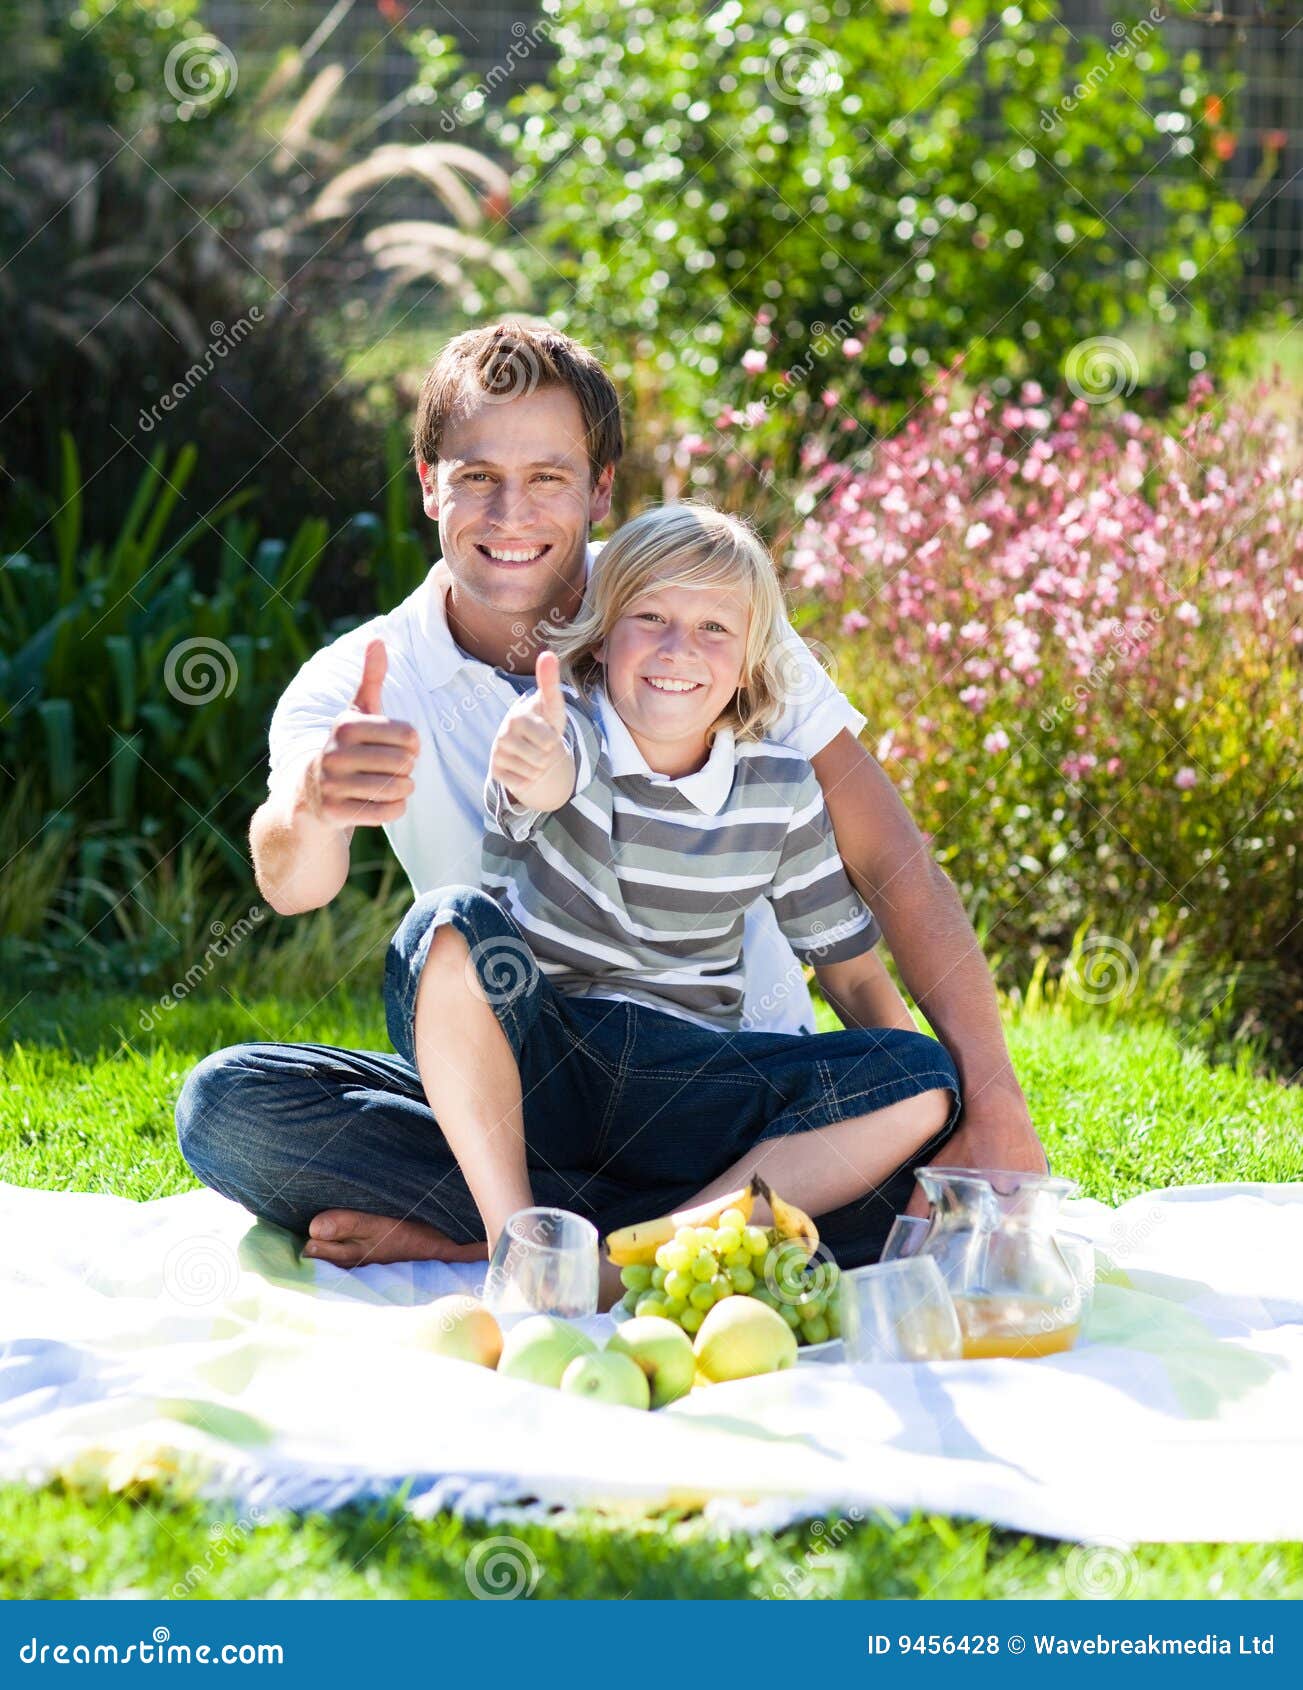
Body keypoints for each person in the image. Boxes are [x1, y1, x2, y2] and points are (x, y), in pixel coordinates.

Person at [175, 319, 1046, 1277]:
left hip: (731, 1088)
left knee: (916, 1114)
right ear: (428, 483)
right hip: (513, 1097)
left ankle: (504, 1240)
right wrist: (316, 801)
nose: (511, 512)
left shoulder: (697, 622)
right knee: (232, 1110)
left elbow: (889, 861)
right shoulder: (363, 678)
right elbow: (292, 881)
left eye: (548, 476)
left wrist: (987, 1104)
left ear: (598, 489)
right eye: (476, 476)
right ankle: (640, 1235)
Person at [399, 501, 965, 1305]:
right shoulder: (564, 734)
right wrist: (536, 765)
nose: (677, 649)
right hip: (537, 1070)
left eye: (712, 629)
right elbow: (546, 778)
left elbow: (855, 979)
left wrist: (922, 1117)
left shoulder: (781, 790)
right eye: (651, 616)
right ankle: (522, 1246)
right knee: (247, 1097)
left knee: (922, 1084)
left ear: (749, 663)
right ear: (601, 636)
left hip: (689, 1092)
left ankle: (646, 1249)